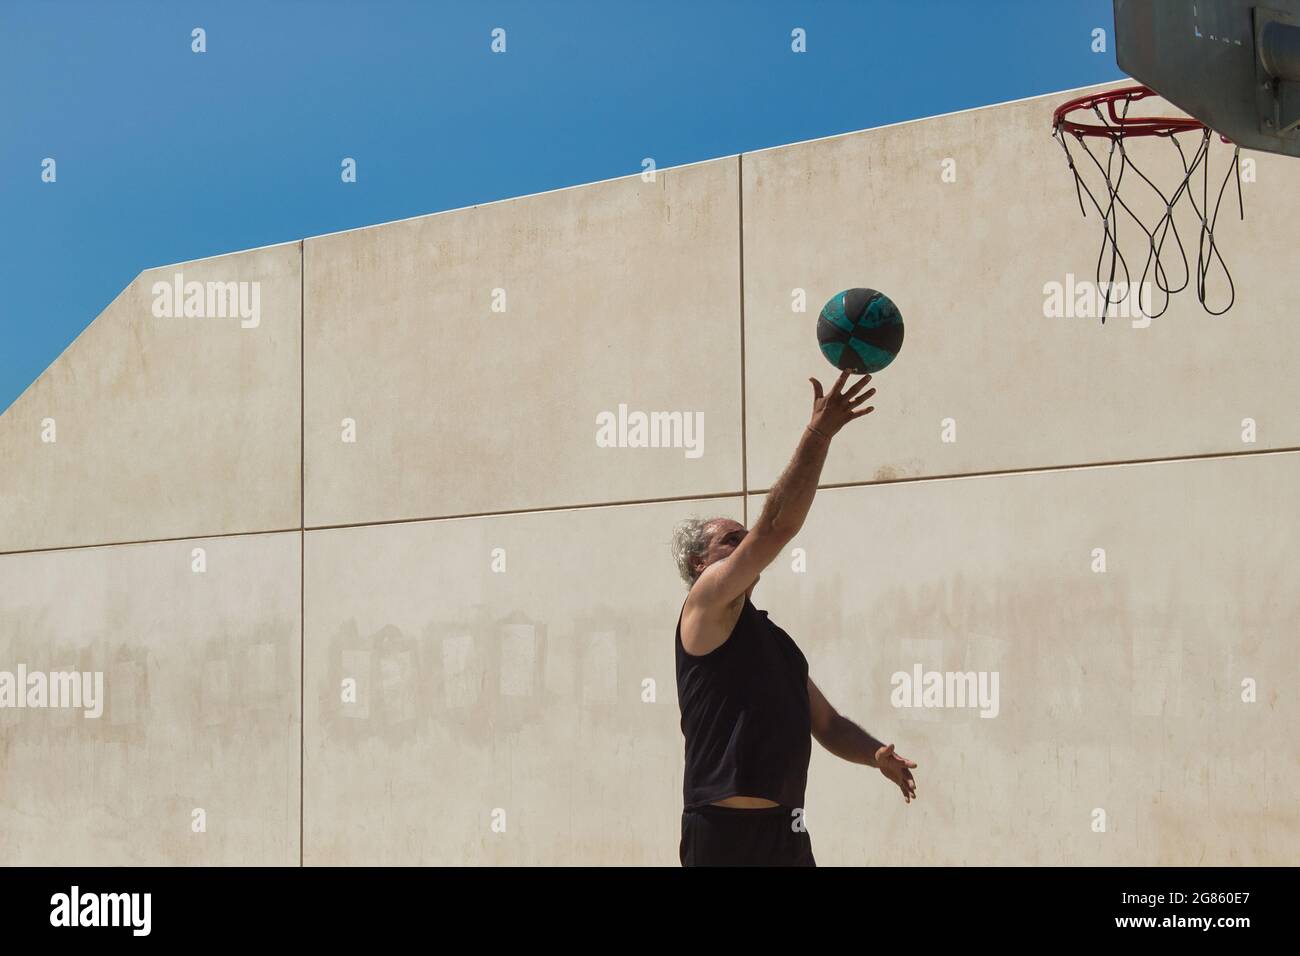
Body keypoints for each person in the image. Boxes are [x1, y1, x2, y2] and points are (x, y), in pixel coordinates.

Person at [672, 371, 918, 866]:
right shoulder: (705, 606)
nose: (744, 545)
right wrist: (818, 435)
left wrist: (874, 755)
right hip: (722, 835)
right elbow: (777, 526)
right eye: (730, 540)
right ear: (701, 564)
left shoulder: (776, 642)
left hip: (785, 833)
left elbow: (826, 723)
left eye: (745, 537)